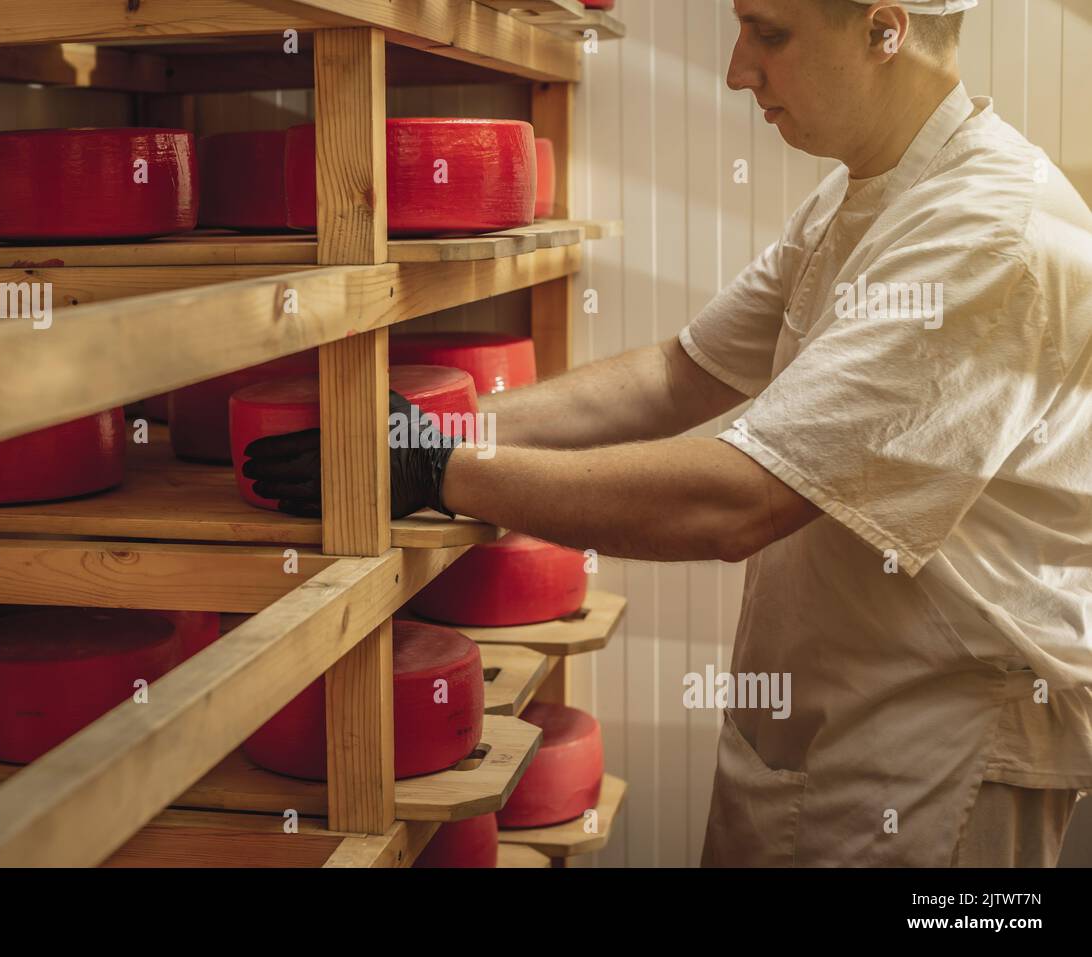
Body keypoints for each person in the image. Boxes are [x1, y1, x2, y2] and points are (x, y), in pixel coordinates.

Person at [244, 0, 1092, 867]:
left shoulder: (989, 235)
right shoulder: (861, 191)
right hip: (830, 723)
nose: (736, 69)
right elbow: (679, 376)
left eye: (770, 34)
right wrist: (442, 425)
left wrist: (442, 469)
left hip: (939, 758)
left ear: (884, 30)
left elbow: (736, 500)